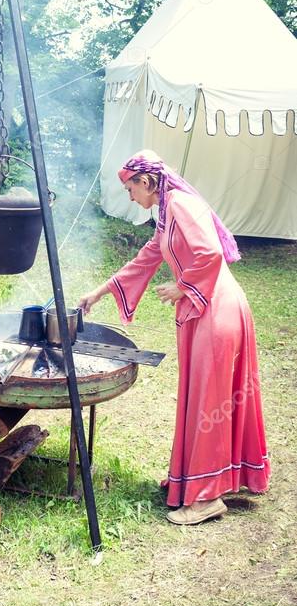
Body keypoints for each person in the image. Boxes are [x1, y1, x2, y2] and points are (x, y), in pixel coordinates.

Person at [78, 150, 270, 526]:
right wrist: (99, 292)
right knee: (211, 398)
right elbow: (147, 258)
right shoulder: (167, 212)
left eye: (131, 188)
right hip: (209, 308)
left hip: (216, 309)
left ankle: (205, 499)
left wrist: (182, 287)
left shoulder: (181, 204)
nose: (130, 196)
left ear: (146, 182)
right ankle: (208, 479)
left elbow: (210, 253)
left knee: (209, 401)